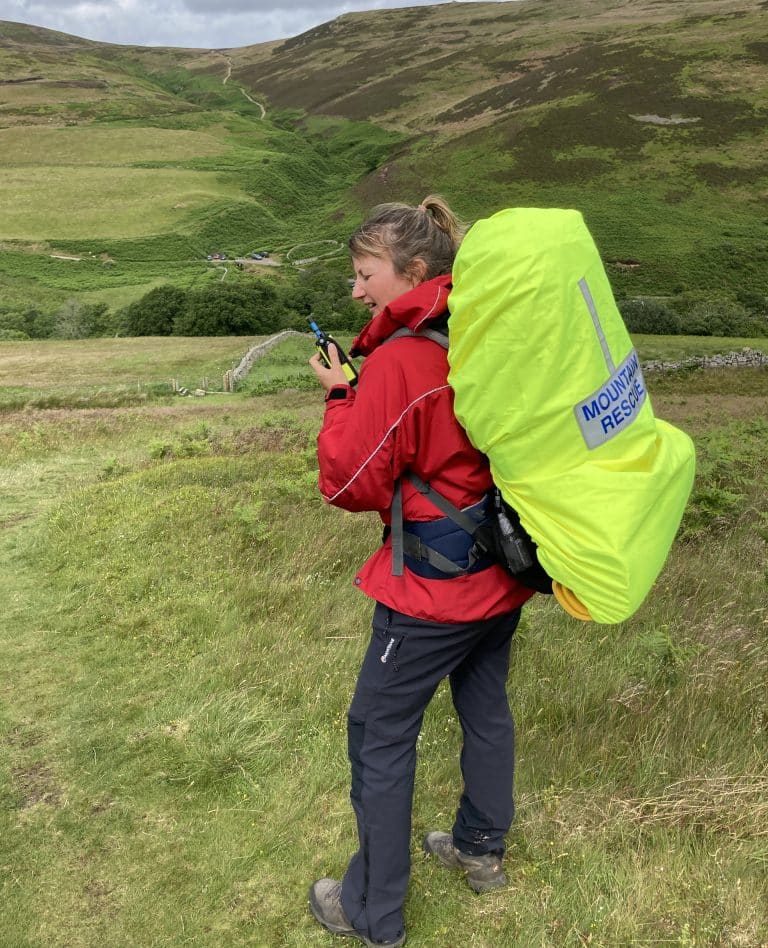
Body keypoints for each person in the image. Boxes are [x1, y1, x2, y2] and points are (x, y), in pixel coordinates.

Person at [307, 196, 534, 947]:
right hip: (500, 577)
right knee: (486, 709)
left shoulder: (405, 359)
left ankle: (370, 910)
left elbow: (349, 483)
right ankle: (479, 848)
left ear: (411, 269)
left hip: (431, 596)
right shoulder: (476, 331)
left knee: (378, 733)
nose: (356, 290)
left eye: (365, 273)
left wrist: (342, 395)